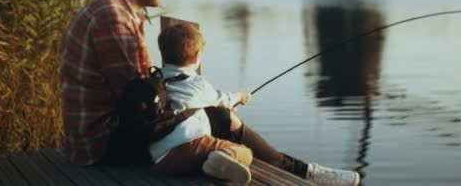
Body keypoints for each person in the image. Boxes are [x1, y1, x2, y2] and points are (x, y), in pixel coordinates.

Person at [152, 23, 361, 186]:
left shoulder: (155, 81)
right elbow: (224, 99)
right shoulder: (197, 82)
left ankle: (219, 161)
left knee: (220, 121)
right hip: (191, 150)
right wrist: (241, 96)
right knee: (245, 152)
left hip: (161, 160)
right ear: (197, 57)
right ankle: (222, 158)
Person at [61, 0, 172, 165]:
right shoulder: (111, 16)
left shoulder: (123, 11)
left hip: (112, 131)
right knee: (216, 119)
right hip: (102, 144)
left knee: (210, 118)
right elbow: (136, 98)